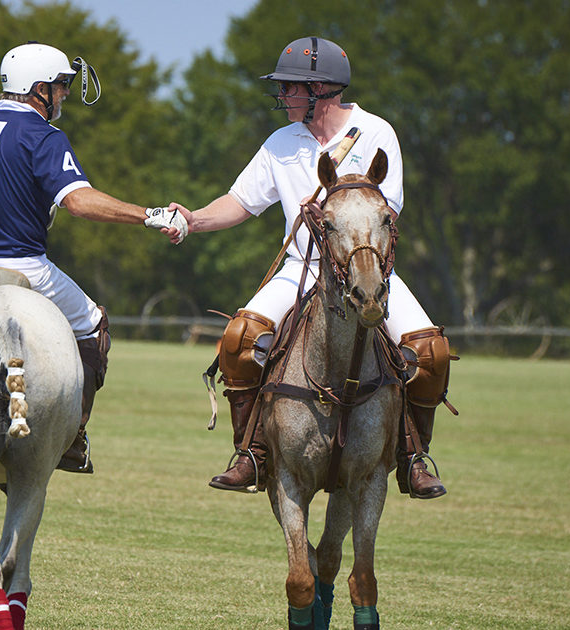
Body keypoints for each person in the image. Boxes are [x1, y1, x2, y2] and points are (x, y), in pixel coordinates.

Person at [0, 42, 187, 476]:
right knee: (93, 323)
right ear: (39, 89)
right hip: (24, 265)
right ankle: (75, 436)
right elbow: (78, 201)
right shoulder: (45, 136)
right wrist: (149, 215)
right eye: (61, 87)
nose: (64, 95)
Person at [171, 37, 454, 499]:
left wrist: (328, 206)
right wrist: (194, 219)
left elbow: (389, 211)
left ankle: (412, 455)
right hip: (301, 269)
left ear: (320, 89)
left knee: (432, 354)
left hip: (366, 272)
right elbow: (241, 202)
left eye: (289, 88)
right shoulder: (281, 143)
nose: (282, 96)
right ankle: (252, 452)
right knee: (238, 340)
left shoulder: (376, 133)